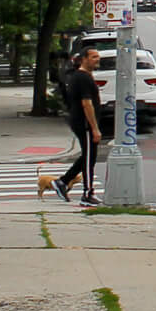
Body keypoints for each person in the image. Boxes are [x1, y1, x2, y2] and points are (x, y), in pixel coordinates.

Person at [54, 46, 102, 205]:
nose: (98, 59)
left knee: (89, 157)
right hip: (84, 123)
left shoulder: (82, 76)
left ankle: (63, 182)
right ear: (84, 59)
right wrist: (94, 128)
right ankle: (87, 194)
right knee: (89, 159)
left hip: (81, 122)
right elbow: (87, 104)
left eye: (97, 56)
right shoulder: (82, 78)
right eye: (94, 57)